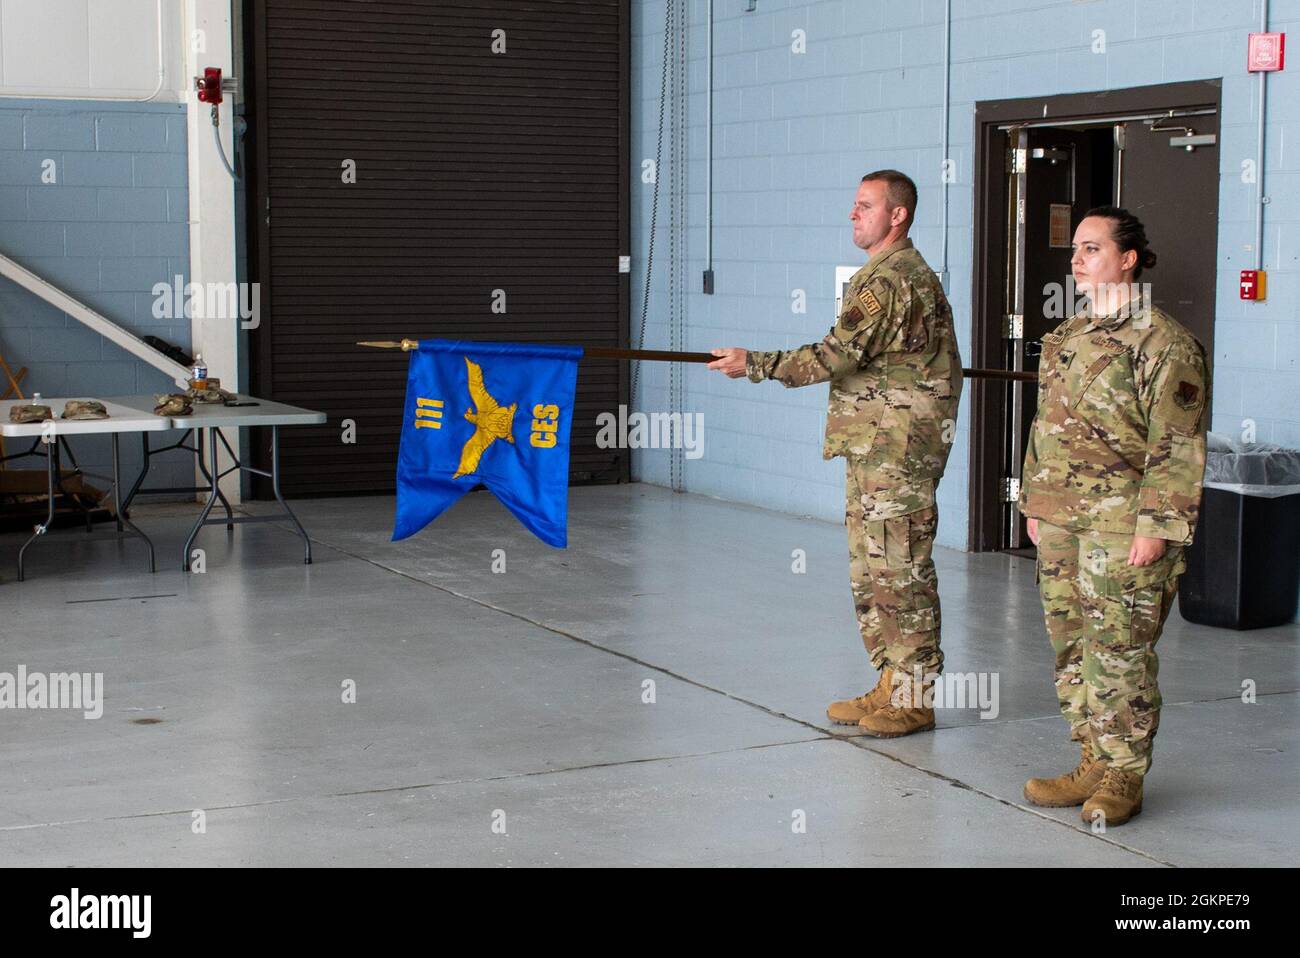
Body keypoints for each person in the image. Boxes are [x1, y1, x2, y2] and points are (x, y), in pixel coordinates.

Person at [708, 170, 963, 737]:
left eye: (866, 206)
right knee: (872, 568)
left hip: (897, 450)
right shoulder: (885, 275)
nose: (853, 214)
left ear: (897, 215)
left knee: (900, 569)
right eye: (853, 205)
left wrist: (755, 363)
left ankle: (915, 695)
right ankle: (892, 681)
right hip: (877, 446)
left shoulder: (892, 281)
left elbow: (835, 355)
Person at [1019, 206, 1209, 826]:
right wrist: (1035, 504)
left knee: (1121, 650)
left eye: (1092, 248)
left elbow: (1176, 446)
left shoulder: (1165, 343)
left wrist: (1157, 528)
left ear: (1127, 260)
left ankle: (1123, 773)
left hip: (1122, 526)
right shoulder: (1068, 335)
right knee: (1072, 646)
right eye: (1075, 248)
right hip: (1061, 521)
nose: (1076, 259)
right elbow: (1046, 426)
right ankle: (1092, 759)